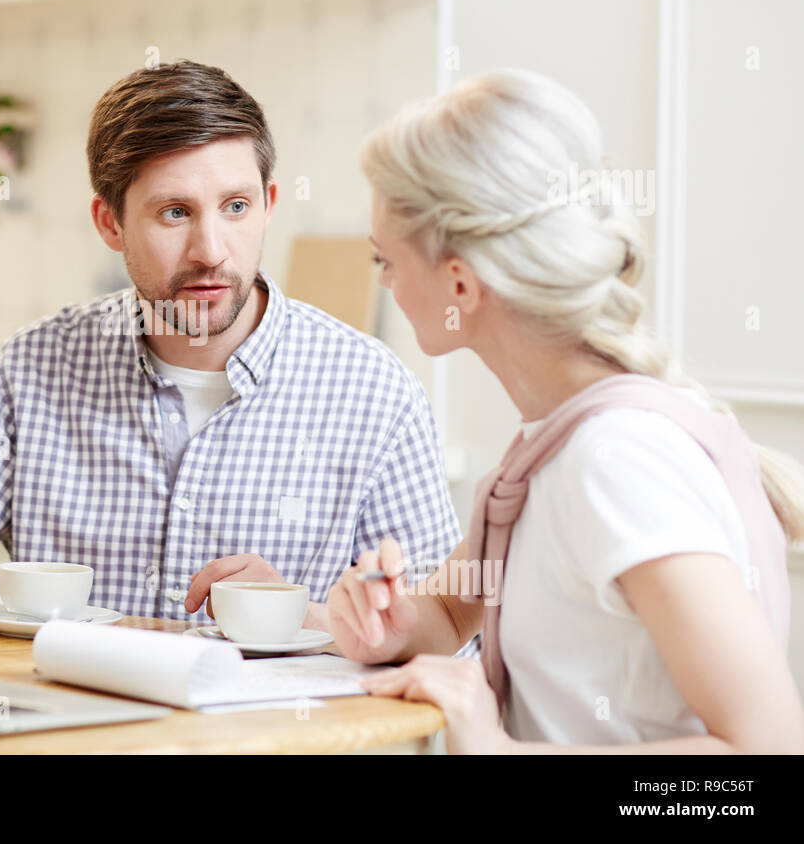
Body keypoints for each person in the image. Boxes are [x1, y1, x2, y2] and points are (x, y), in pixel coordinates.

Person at [0, 60, 470, 643]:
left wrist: (304, 619)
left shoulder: (373, 394)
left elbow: (442, 647)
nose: (211, 250)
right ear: (109, 223)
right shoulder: (28, 374)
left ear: (269, 204)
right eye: (175, 212)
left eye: (236, 207)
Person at [328, 68, 804, 752]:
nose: (384, 284)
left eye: (386, 260)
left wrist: (499, 751)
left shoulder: (614, 463)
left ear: (460, 280)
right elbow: (446, 611)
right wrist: (392, 623)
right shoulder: (555, 444)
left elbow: (761, 756)